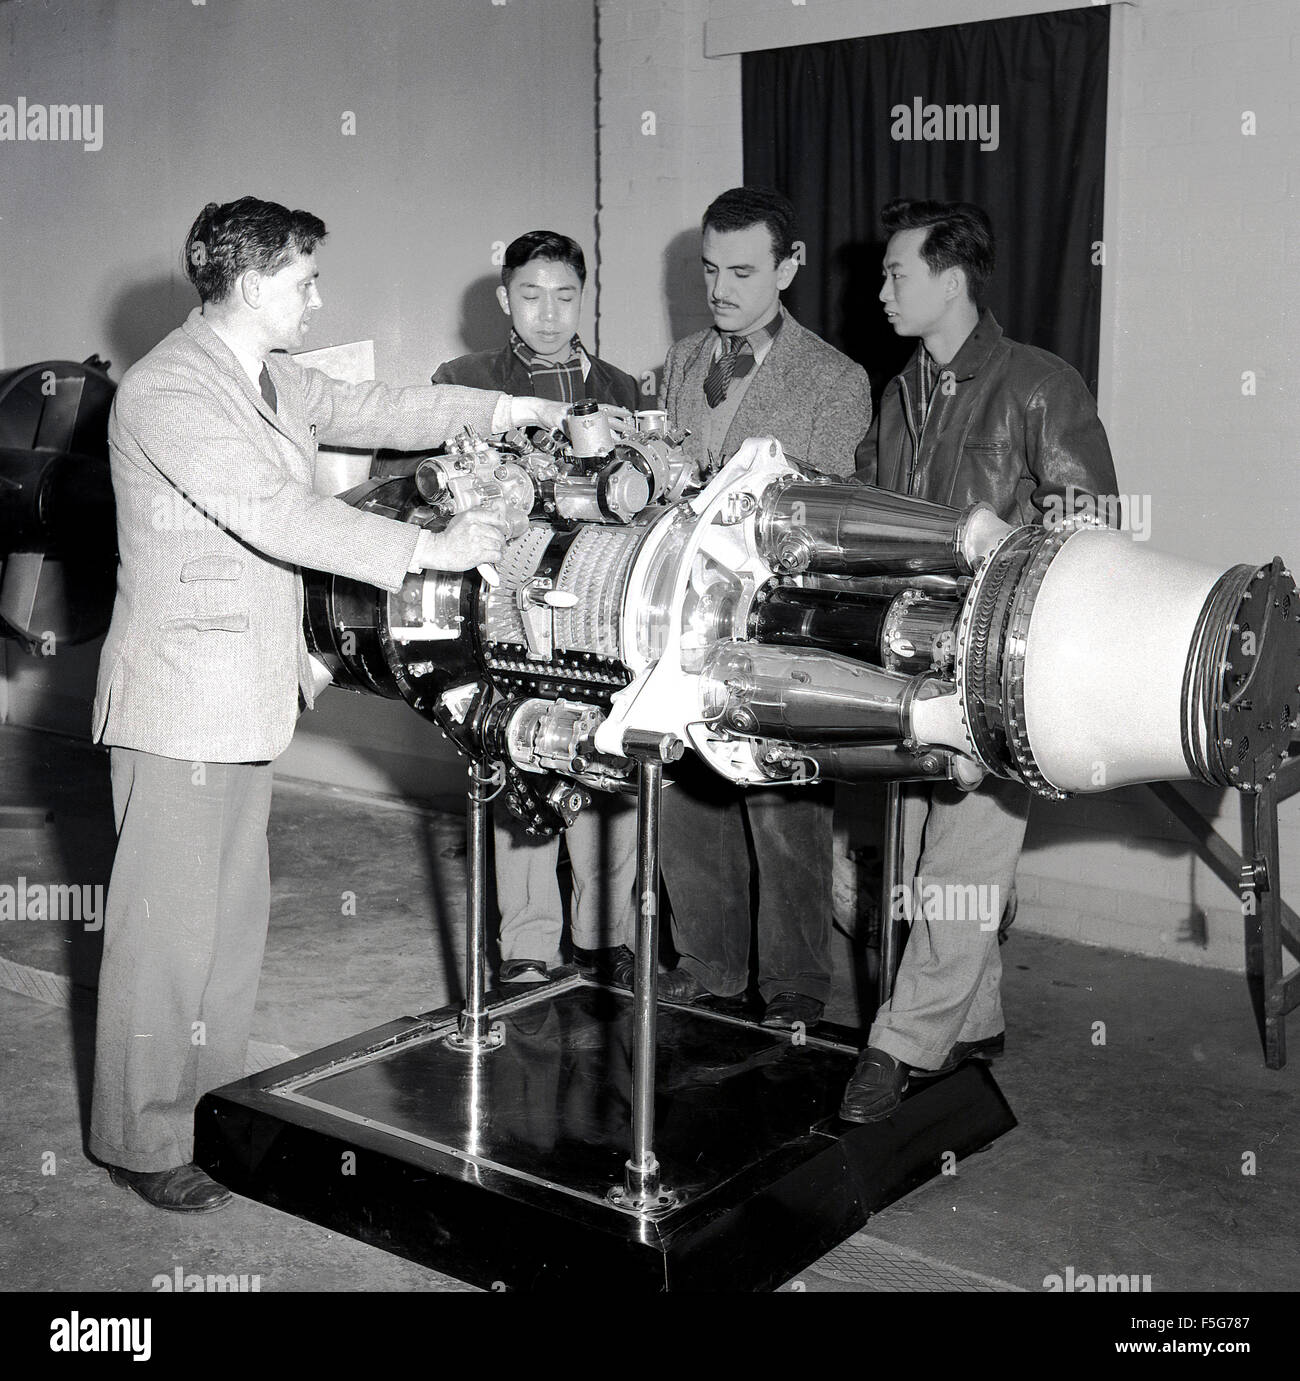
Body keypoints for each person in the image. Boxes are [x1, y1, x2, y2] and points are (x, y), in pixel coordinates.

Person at [89, 196, 568, 1211]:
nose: (318, 294)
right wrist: (424, 551)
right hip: (179, 702)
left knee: (230, 922)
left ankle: (202, 1103)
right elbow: (275, 513)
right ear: (254, 282)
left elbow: (387, 409)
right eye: (306, 277)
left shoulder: (267, 378)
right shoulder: (169, 389)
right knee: (166, 934)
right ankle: (139, 1137)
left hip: (244, 694)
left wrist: (511, 413)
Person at [840, 197, 1119, 1122]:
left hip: (1002, 662)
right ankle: (976, 1016)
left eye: (896, 274)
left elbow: (1092, 526)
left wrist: (1007, 572)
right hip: (907, 655)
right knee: (917, 860)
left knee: (960, 860)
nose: (880, 291)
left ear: (950, 282)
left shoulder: (1041, 384)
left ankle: (903, 1043)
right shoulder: (897, 393)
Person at [655, 187, 872, 1030]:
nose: (721, 289)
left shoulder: (835, 377)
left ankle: (795, 989)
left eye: (743, 271)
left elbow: (825, 517)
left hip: (779, 625)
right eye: (709, 269)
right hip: (680, 625)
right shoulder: (677, 364)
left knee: (783, 810)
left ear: (790, 266)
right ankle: (708, 965)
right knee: (685, 798)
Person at [433, 231, 640, 988]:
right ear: (503, 299)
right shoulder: (463, 383)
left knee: (605, 758)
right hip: (508, 611)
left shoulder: (623, 389)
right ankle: (525, 946)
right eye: (530, 295)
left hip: (602, 610)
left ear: (581, 297)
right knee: (520, 757)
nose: (548, 315)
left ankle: (603, 939)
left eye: (564, 296)